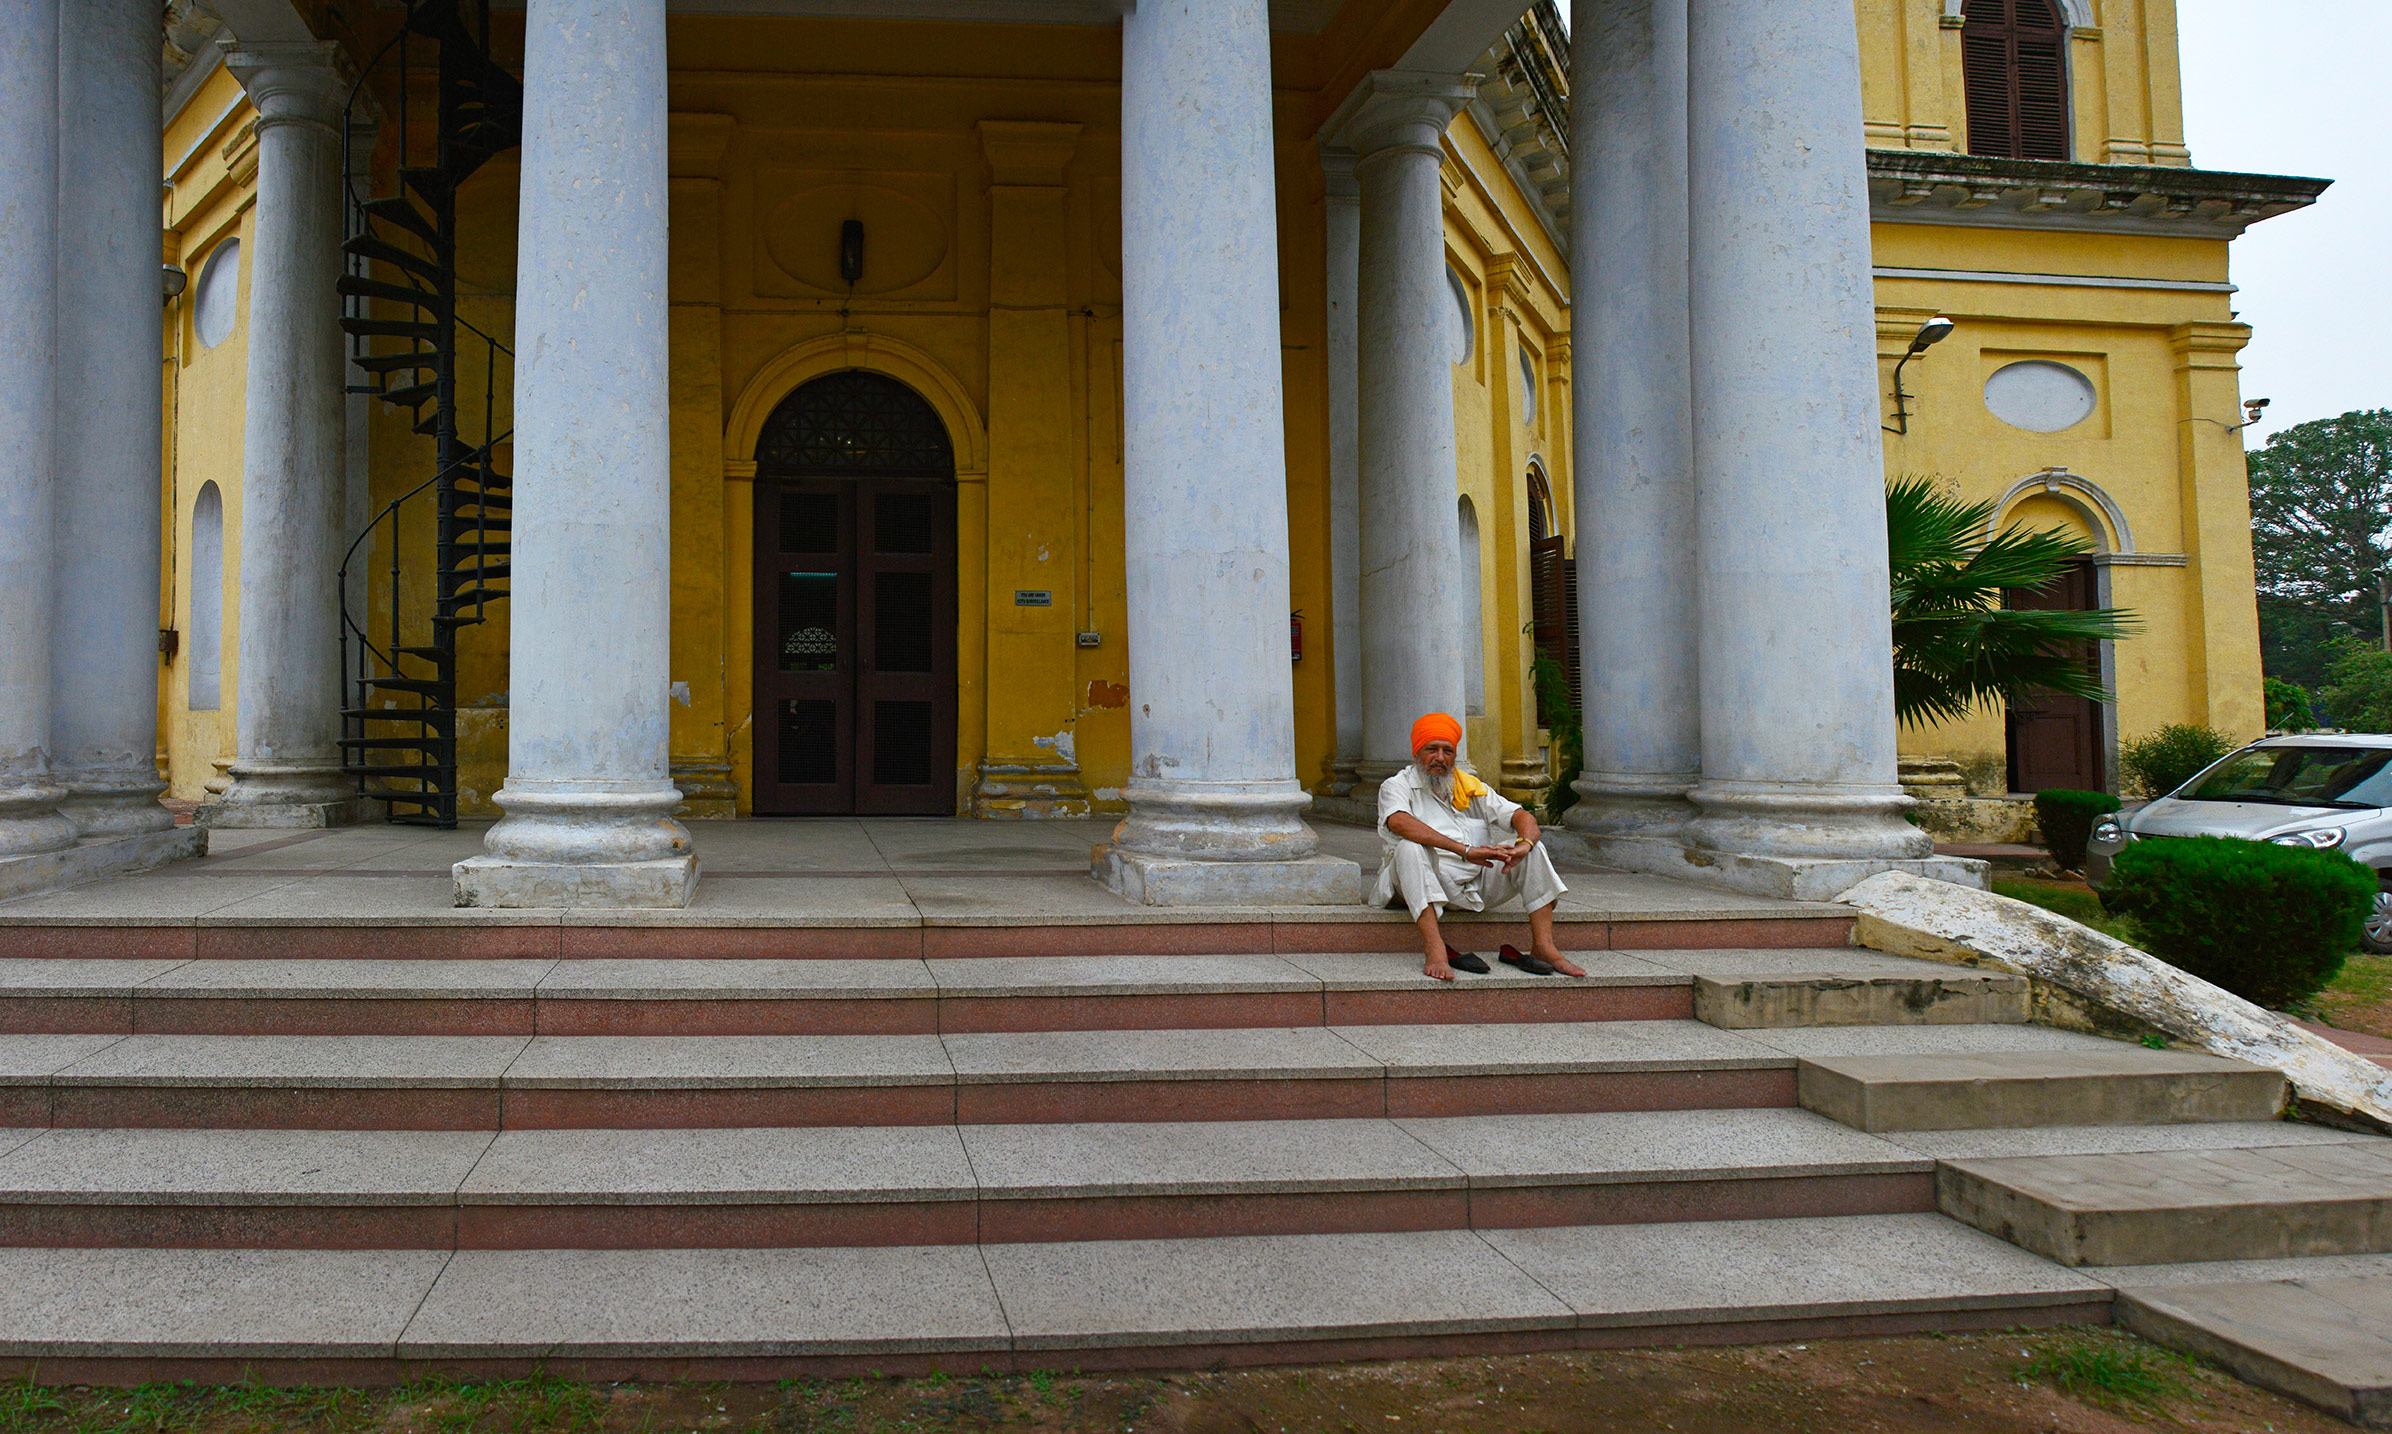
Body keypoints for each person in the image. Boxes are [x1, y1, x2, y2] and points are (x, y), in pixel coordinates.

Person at [1374, 712, 1586, 982]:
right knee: (1409, 847)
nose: (1440, 757)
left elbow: (1522, 816)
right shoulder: (1396, 786)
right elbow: (1399, 822)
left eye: (1447, 751)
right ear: (1417, 752)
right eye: (1432, 749)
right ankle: (1434, 945)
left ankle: (1544, 946)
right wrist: (1465, 850)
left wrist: (1524, 844)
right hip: (1419, 881)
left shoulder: (1469, 787)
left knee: (1534, 850)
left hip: (1472, 884)